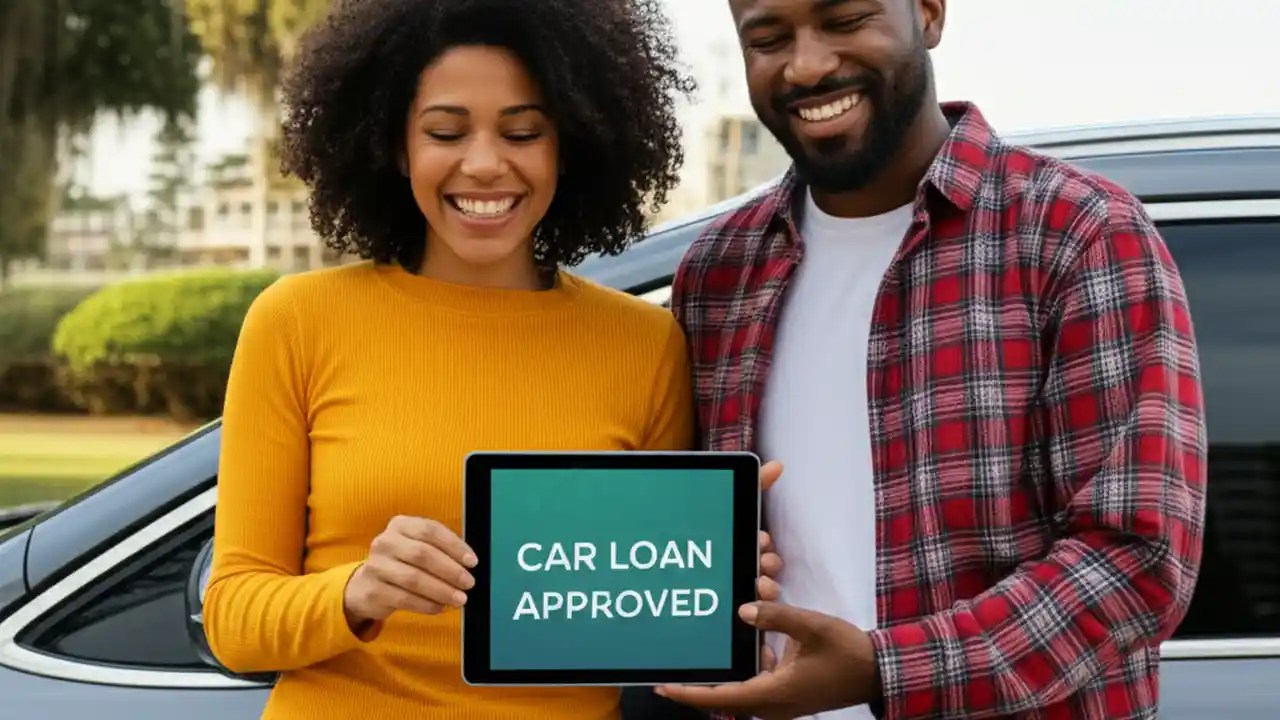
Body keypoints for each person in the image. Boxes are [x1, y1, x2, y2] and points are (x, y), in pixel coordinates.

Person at [201, 1, 786, 719]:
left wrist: (714, 593)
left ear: (567, 146)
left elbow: (639, 619)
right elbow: (232, 616)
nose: (483, 163)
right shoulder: (297, 321)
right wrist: (354, 592)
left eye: (522, 132)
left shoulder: (643, 344)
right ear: (394, 145)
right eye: (445, 132)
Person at [650, 1, 1208, 719]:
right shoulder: (717, 274)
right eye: (768, 37)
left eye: (846, 19)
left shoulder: (1076, 234)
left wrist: (884, 672)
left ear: (929, 14)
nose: (808, 63)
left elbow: (1135, 557)